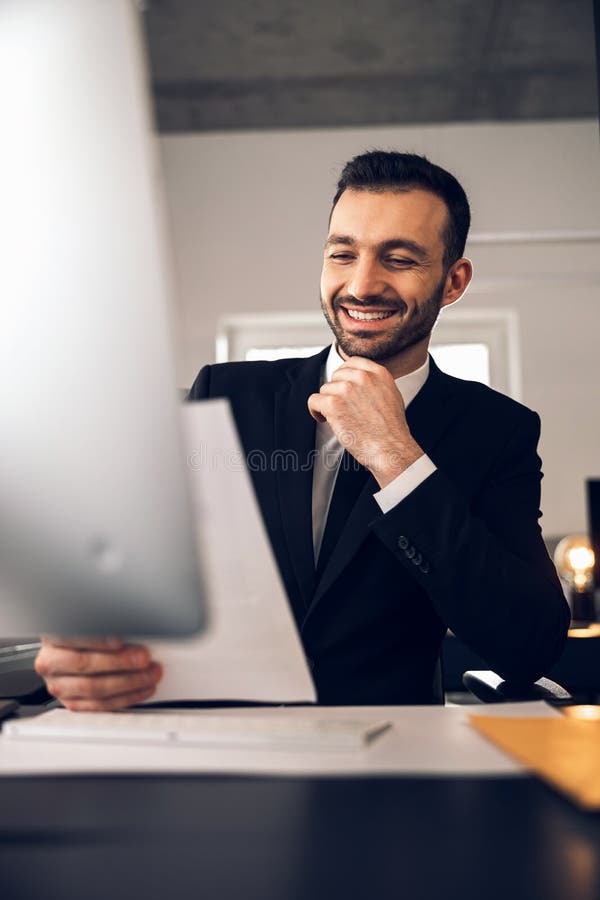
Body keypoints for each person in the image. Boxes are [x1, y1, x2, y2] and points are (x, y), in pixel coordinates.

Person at [35, 151, 570, 710]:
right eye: (343, 254)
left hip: (395, 756)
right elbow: (141, 568)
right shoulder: (225, 392)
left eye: (400, 259)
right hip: (221, 738)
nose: (362, 285)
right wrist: (86, 641)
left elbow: (528, 646)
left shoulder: (498, 430)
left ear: (453, 281)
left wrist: (398, 458)